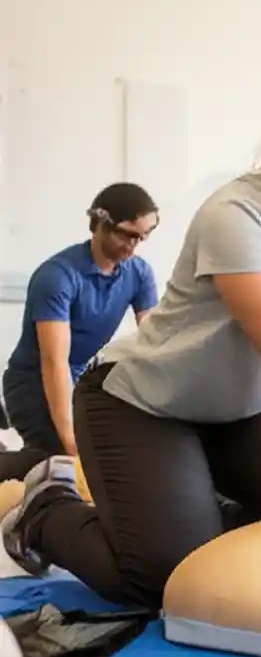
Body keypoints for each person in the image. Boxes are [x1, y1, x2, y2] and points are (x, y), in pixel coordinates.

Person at [1, 55, 261, 609]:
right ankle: (45, 509)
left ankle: (199, 518)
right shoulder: (237, 215)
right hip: (144, 403)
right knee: (167, 580)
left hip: (243, 410)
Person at [1, 184, 159, 457]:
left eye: (143, 237)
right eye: (127, 236)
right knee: (59, 457)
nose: (133, 246)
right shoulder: (57, 277)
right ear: (100, 224)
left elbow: (156, 343)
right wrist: (71, 442)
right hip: (32, 382)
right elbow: (54, 363)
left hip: (79, 377)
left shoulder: (139, 274)